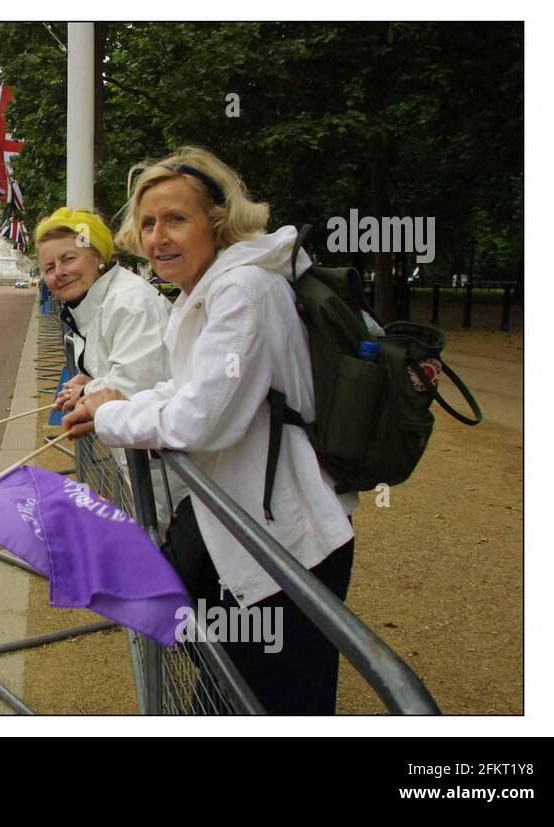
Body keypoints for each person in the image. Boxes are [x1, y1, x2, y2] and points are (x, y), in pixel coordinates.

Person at [62, 146, 357, 715]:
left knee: (277, 701)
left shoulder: (243, 290)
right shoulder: (210, 291)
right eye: (147, 223)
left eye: (176, 219)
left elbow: (202, 418)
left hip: (286, 538)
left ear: (217, 221)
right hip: (252, 524)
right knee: (233, 689)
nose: (157, 237)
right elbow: (187, 388)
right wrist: (124, 398)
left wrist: (110, 415)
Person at [35, 207, 184, 530]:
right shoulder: (98, 302)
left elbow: (133, 387)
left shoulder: (128, 302)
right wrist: (90, 379)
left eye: (69, 259)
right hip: (152, 473)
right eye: (49, 266)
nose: (58, 272)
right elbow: (120, 365)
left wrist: (87, 390)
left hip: (177, 485)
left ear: (97, 256)